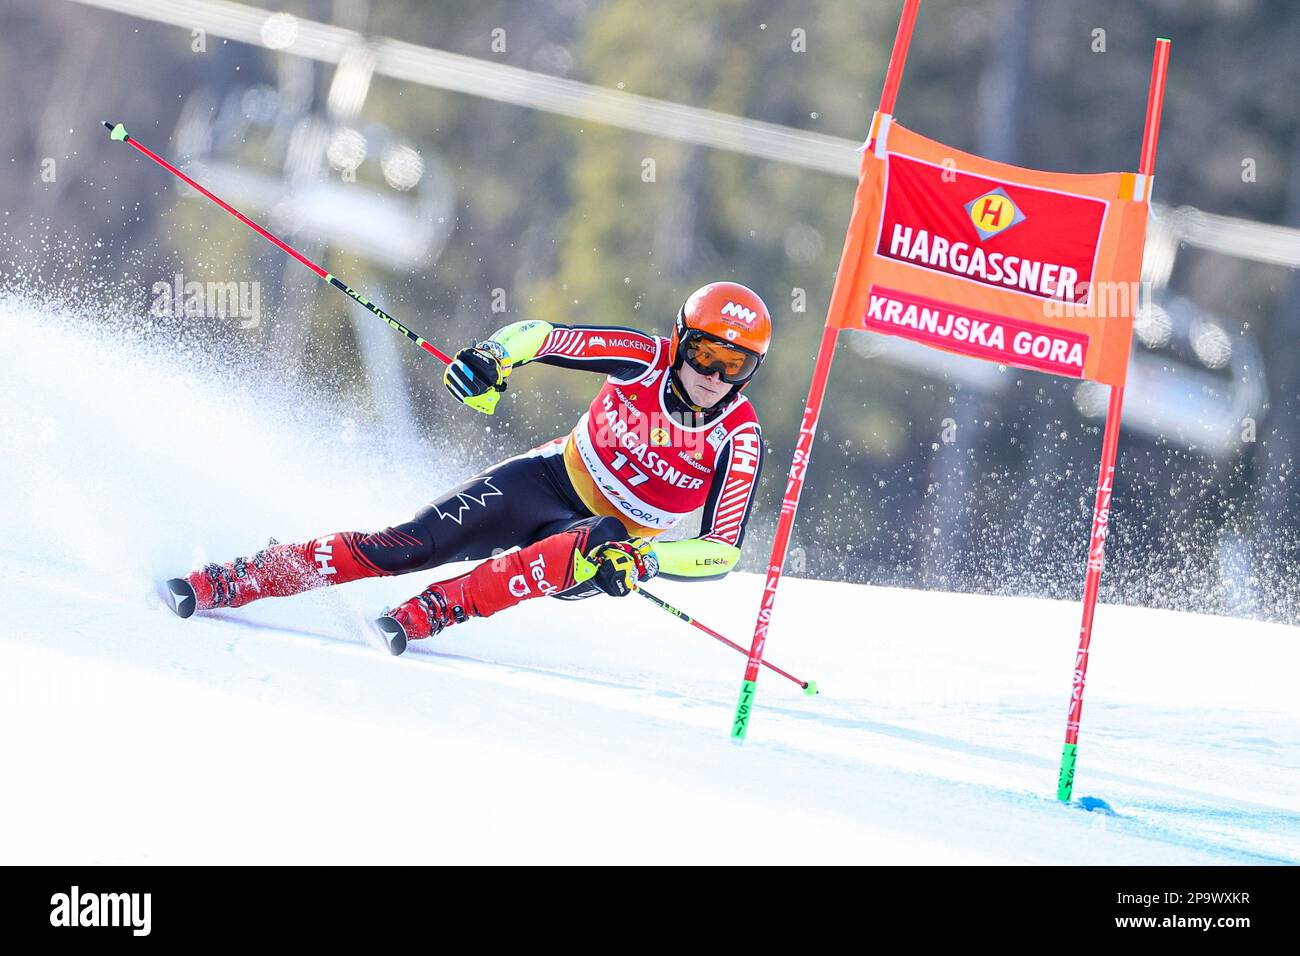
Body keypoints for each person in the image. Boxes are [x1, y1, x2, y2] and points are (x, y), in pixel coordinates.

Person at [164, 281, 771, 655]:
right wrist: (492, 357)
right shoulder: (644, 358)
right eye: (704, 354)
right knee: (408, 544)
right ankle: (243, 576)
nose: (712, 376)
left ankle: (436, 610)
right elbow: (544, 337)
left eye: (735, 366)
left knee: (600, 537)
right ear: (680, 339)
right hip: (548, 480)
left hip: (607, 550)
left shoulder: (738, 437)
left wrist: (648, 561)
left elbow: (721, 552)